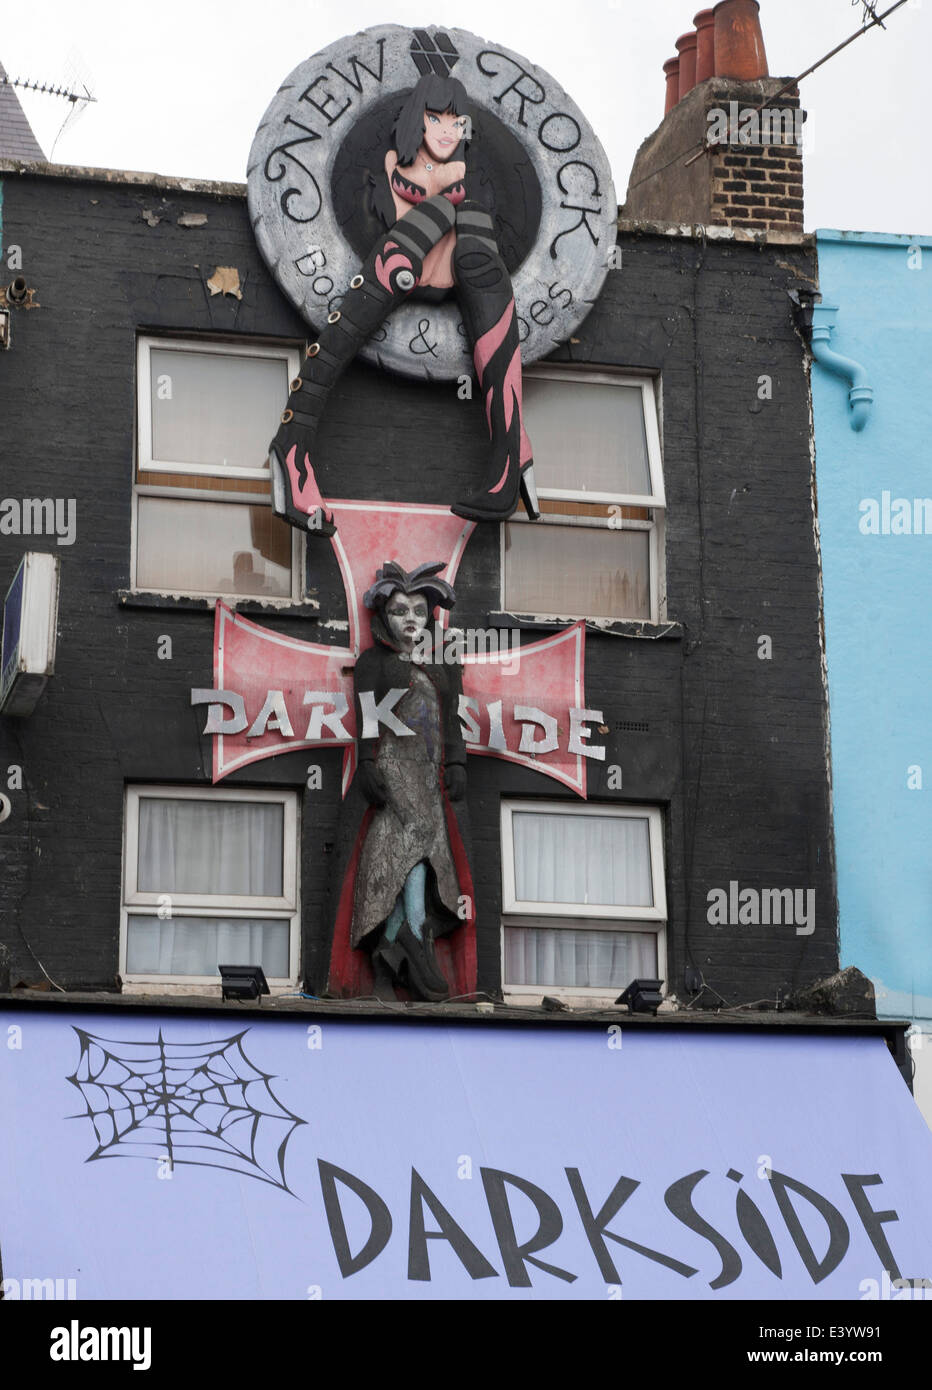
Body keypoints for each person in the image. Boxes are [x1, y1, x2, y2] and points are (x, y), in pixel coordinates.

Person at [268, 72, 540, 532]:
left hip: (442, 265)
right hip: (406, 264)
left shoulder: (458, 173)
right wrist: (438, 193)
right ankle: (513, 449)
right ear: (418, 120)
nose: (446, 130)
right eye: (435, 117)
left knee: (471, 238)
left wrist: (442, 192)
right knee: (450, 217)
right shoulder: (409, 165)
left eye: (456, 120)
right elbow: (414, 198)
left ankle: (508, 452)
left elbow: (437, 193)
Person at [349, 560, 468, 1001]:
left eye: (418, 611)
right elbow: (366, 717)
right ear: (384, 616)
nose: (410, 620)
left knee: (416, 858)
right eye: (400, 611)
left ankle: (393, 950)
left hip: (429, 774)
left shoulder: (443, 665)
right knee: (410, 852)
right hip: (393, 770)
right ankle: (417, 936)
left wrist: (457, 764)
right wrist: (366, 763)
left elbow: (451, 720)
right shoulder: (372, 663)